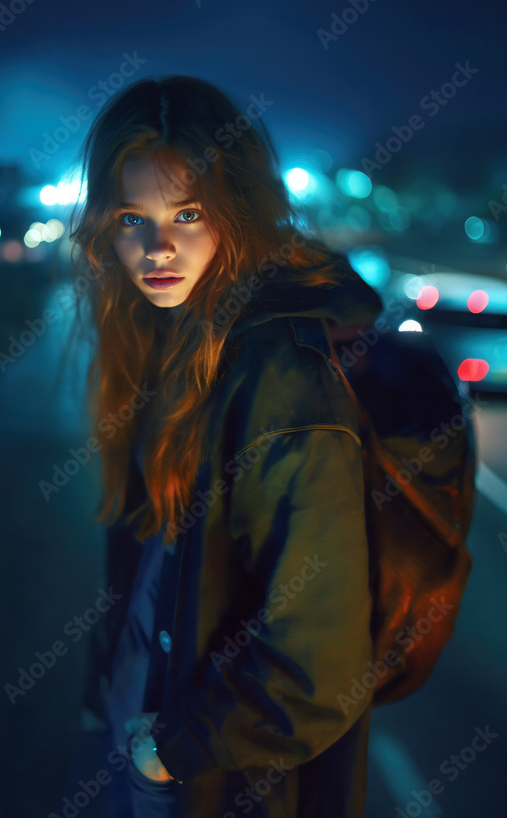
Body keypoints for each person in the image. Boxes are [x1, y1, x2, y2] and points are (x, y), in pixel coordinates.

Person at [66, 75, 384, 817]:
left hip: (210, 776)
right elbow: (153, 557)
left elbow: (317, 666)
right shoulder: (164, 336)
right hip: (138, 715)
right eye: (130, 219)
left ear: (237, 213)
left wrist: (169, 748)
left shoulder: (280, 379)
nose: (157, 248)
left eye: (188, 213)